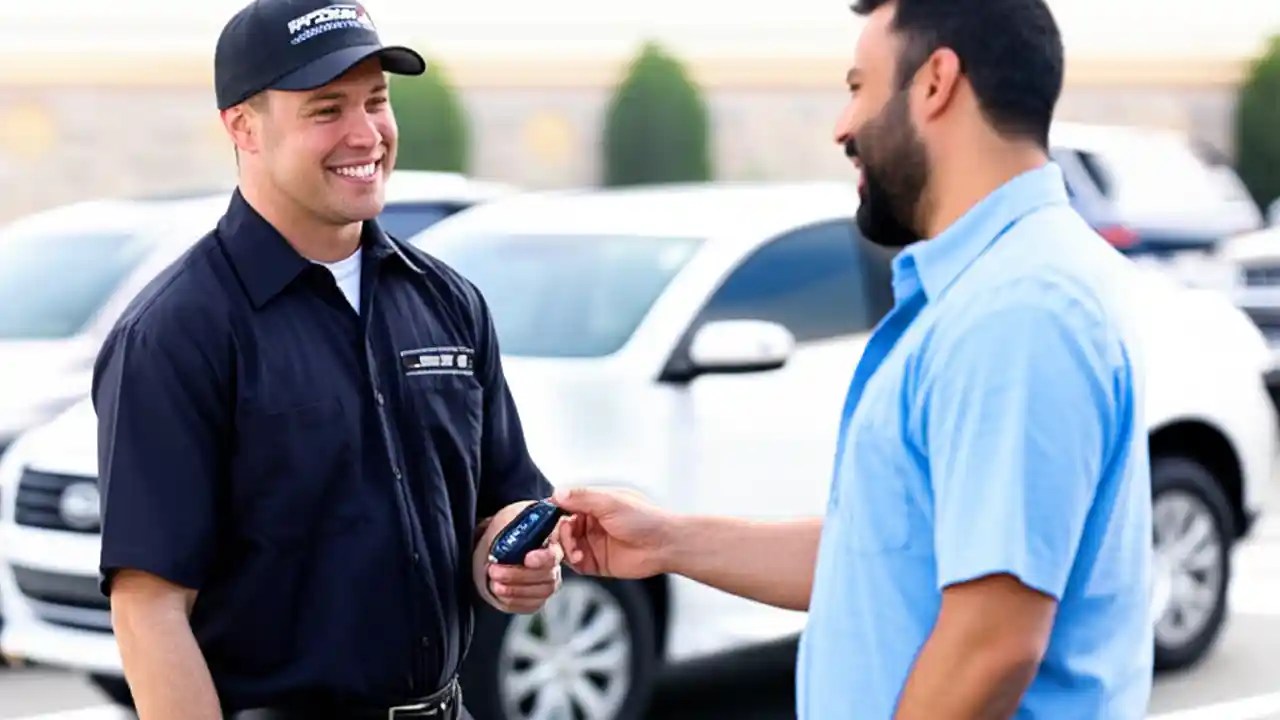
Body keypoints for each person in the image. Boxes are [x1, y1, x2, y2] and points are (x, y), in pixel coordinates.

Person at [555, 0, 1154, 717]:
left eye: (858, 87)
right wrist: (668, 541)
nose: (843, 127)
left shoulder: (1019, 308)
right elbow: (883, 562)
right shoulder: (991, 289)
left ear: (936, 82)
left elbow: (990, 642)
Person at [90, 1, 562, 718]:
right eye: (326, 109)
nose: (365, 132)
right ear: (243, 126)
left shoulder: (447, 301)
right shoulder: (177, 333)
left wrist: (511, 560)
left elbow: (499, 503)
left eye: (376, 100)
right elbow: (150, 610)